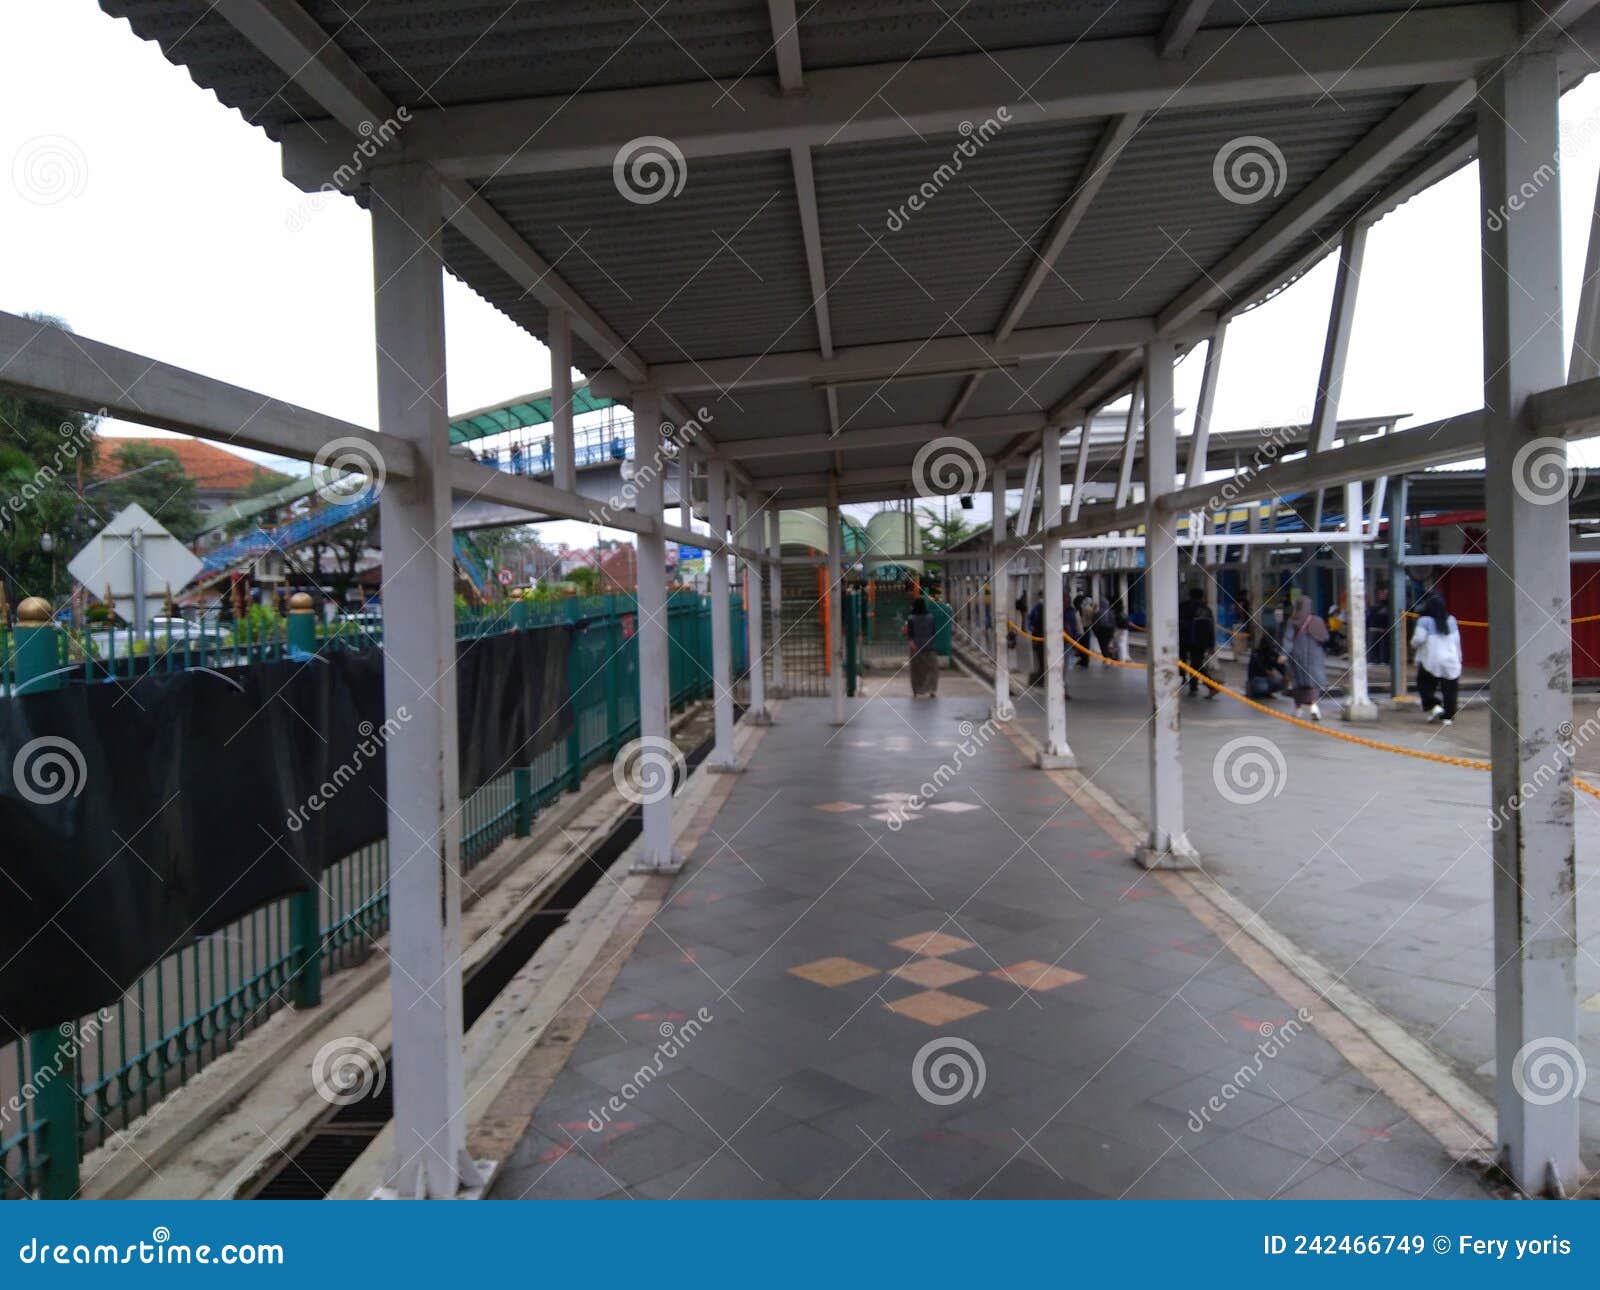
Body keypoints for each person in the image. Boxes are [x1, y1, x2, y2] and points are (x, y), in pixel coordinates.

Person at [1410, 591, 1462, 725]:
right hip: (1451, 659)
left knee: (1424, 684)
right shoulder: (1451, 620)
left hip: (1431, 660)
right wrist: (1459, 657)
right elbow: (1457, 641)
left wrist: (1412, 644)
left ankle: (1433, 705)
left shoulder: (1424, 621)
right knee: (1450, 689)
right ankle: (1448, 717)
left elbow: (1418, 639)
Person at [1279, 596, 1329, 720]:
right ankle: (1314, 707)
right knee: (1313, 683)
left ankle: (1298, 709)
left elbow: (1288, 639)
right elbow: (1325, 638)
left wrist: (1284, 654)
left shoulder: (1293, 621)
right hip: (1315, 657)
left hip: (1297, 656)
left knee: (1298, 683)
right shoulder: (1317, 620)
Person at [1179, 587, 1217, 698]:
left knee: (1183, 662)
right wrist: (1211, 645)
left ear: (1190, 595)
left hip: (1183, 640)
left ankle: (1190, 682)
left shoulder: (1183, 607)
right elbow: (1210, 629)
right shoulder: (1206, 609)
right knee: (1197, 665)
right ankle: (1196, 686)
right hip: (1200, 642)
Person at [904, 596, 939, 698]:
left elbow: (910, 635)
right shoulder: (931, 617)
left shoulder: (911, 618)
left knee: (916, 670)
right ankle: (931, 689)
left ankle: (916, 689)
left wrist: (912, 644)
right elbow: (933, 632)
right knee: (932, 669)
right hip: (930, 647)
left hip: (915, 647)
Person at [1026, 595, 1045, 686]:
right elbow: (1030, 620)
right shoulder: (1037, 608)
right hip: (1039, 636)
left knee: (1041, 658)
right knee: (1041, 658)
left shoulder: (1037, 608)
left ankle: (1042, 677)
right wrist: (1032, 628)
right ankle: (1041, 677)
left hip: (1041, 636)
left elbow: (1030, 620)